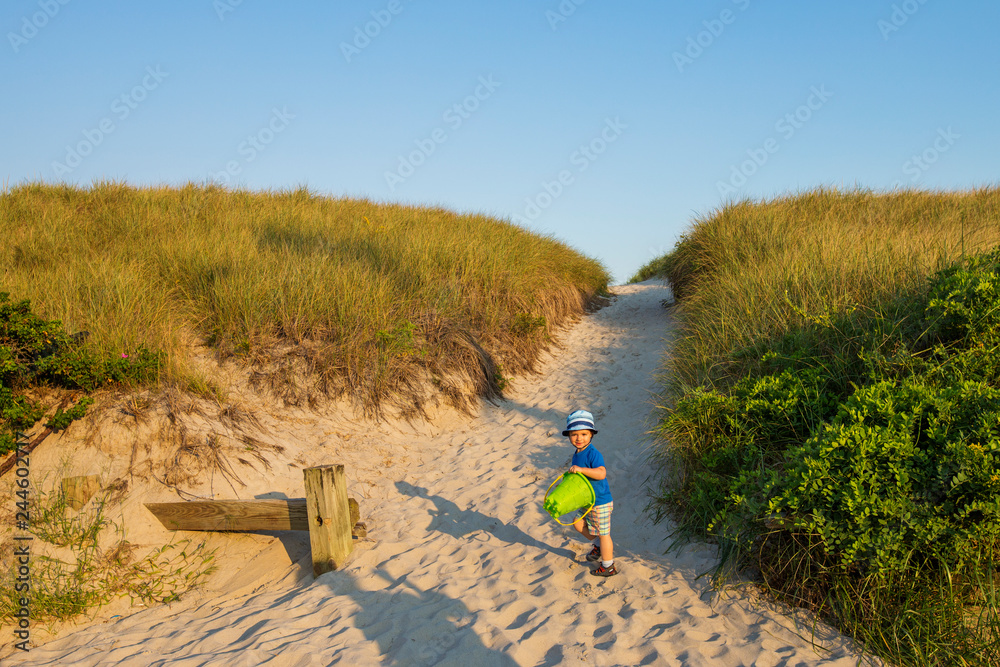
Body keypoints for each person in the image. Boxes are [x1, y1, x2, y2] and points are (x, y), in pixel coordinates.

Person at [562, 409, 617, 577]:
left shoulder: (593, 453)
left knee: (604, 534)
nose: (579, 438)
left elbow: (601, 473)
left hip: (600, 501)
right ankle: (598, 546)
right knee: (577, 523)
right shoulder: (577, 454)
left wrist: (581, 470)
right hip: (587, 501)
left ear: (592, 434)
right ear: (569, 436)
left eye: (584, 434)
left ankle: (608, 566)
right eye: (574, 434)